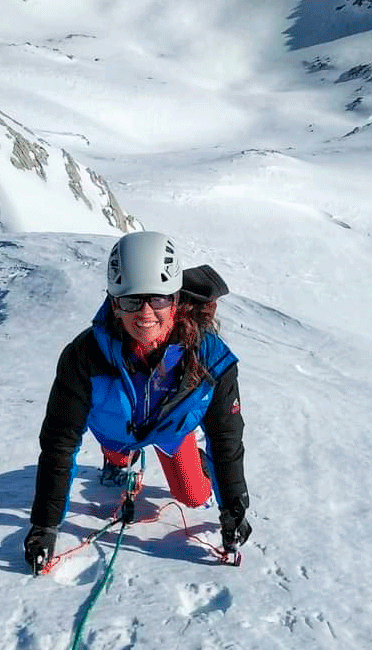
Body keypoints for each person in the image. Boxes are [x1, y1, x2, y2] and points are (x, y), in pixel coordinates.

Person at [23, 231, 252, 573]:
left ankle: (188, 461)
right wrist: (45, 525)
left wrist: (233, 512)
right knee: (119, 456)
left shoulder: (209, 358)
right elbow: (60, 441)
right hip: (116, 431)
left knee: (193, 495)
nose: (145, 313)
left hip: (171, 431)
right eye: (131, 300)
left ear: (175, 299)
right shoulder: (83, 358)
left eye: (157, 299)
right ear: (114, 303)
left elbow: (225, 438)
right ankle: (121, 457)